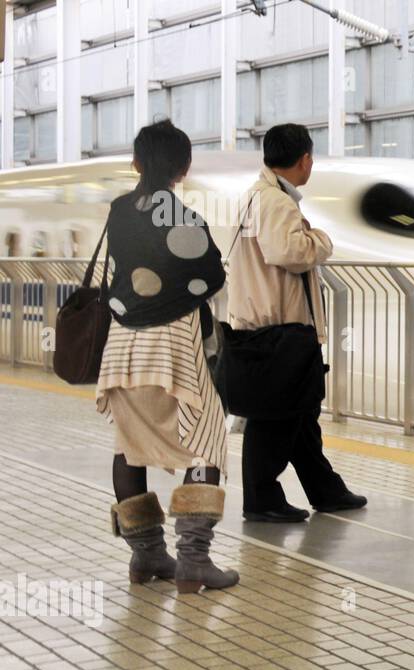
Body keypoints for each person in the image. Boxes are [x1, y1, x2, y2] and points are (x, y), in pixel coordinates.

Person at [97, 119, 237, 594]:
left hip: (121, 345)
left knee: (128, 442)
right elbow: (211, 276)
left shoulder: (118, 211)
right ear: (183, 168)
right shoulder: (186, 220)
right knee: (208, 437)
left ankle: (147, 556)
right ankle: (194, 558)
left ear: (136, 162)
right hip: (173, 342)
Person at [227, 123, 366, 522]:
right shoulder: (275, 202)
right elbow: (288, 251)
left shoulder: (257, 196)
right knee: (277, 417)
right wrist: (320, 239)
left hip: (266, 324)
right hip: (280, 327)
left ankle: (326, 490)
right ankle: (262, 498)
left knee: (300, 412)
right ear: (304, 160)